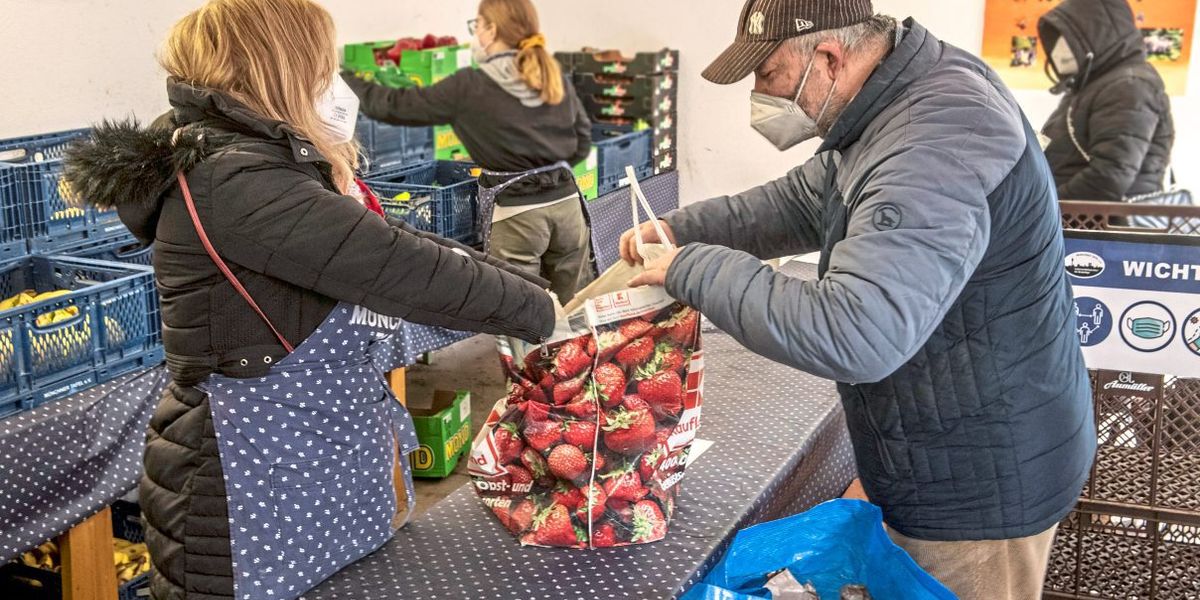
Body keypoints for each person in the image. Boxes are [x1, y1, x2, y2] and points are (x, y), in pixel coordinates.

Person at [62, 1, 555, 598]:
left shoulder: (260, 162)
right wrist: (541, 313)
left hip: (309, 468)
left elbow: (393, 242)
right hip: (249, 489)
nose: (330, 79)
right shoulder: (236, 180)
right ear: (281, 66)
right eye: (320, 63)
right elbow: (397, 266)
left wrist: (526, 286)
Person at [620, 1, 1096, 598]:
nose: (759, 97)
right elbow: (802, 201)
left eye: (768, 76)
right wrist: (679, 229)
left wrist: (692, 267)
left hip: (980, 490)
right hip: (937, 446)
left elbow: (856, 330)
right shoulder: (892, 104)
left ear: (828, 57)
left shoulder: (935, 137)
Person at [344, 0, 594, 303]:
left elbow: (394, 105)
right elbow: (581, 143)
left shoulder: (470, 86)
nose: (476, 34)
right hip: (568, 206)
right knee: (579, 305)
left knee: (520, 306)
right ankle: (582, 352)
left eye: (477, 26)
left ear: (491, 29)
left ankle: (533, 354)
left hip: (518, 215)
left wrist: (345, 76)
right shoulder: (551, 77)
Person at [1039, 0, 1175, 201]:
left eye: (1068, 39)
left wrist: (1047, 210)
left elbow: (1110, 175)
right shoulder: (1093, 83)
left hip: (1101, 225)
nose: (1058, 51)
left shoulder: (1128, 86)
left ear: (1095, 37)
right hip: (1084, 221)